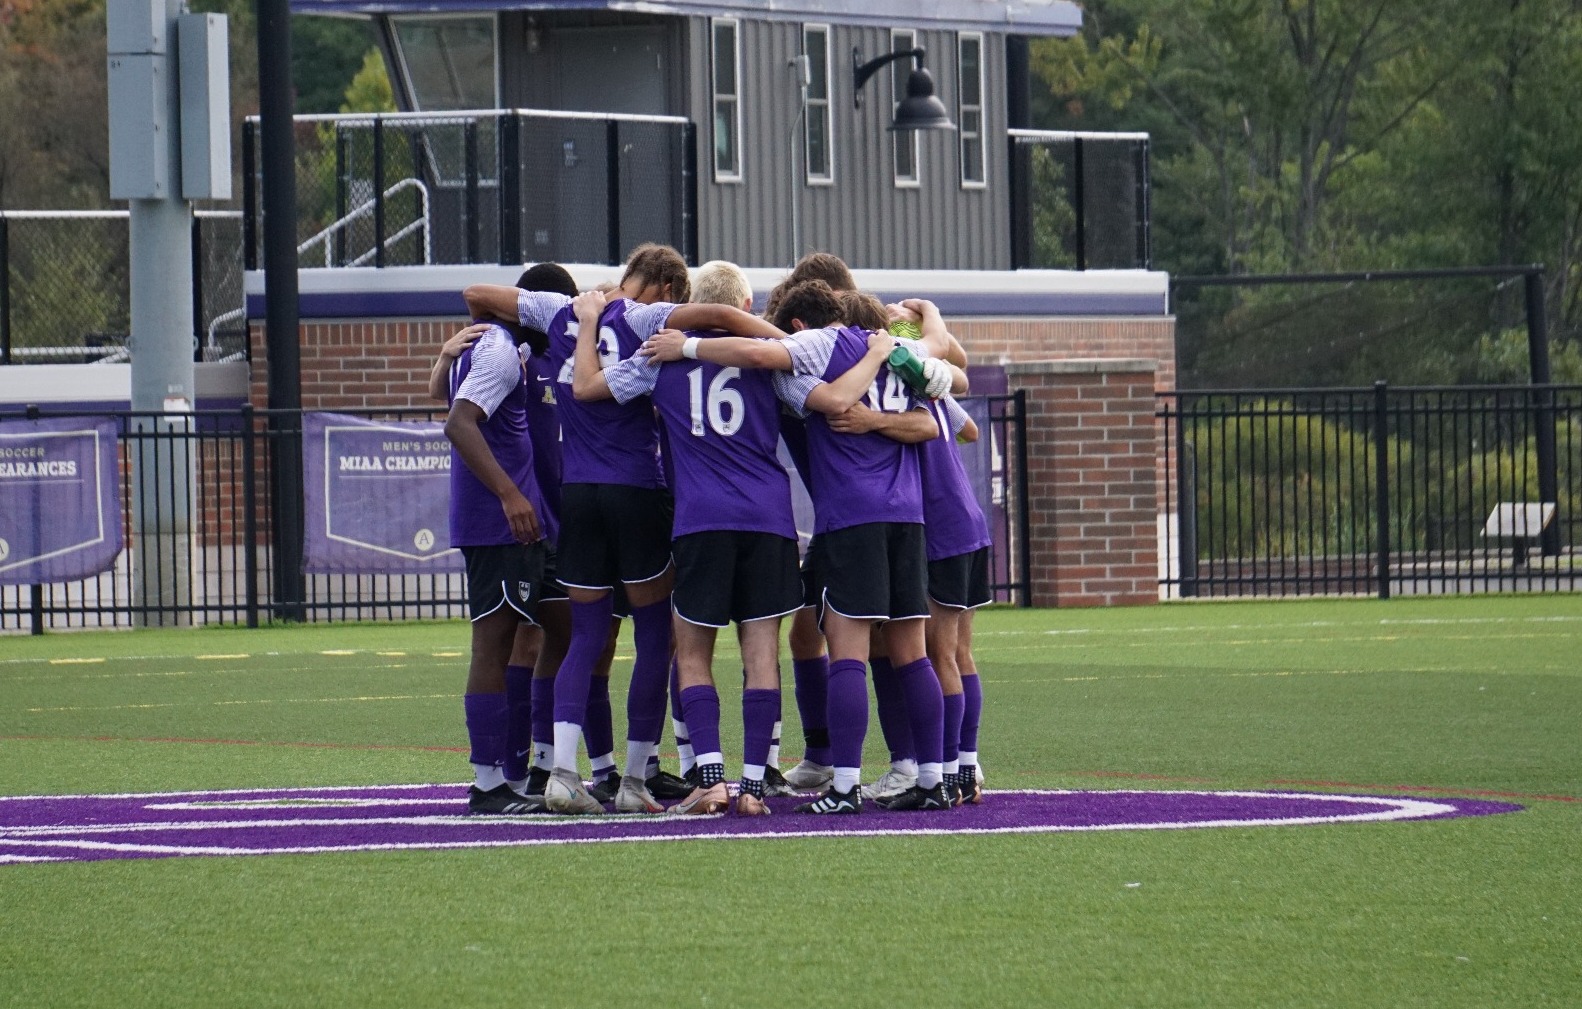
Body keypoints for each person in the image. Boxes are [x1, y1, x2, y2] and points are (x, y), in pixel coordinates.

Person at [466, 244, 783, 815]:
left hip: (578, 495)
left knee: (583, 638)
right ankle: (634, 779)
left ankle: (563, 773)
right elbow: (720, 318)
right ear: (665, 288)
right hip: (638, 494)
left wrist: (545, 318)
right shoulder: (645, 319)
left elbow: (478, 295)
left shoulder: (560, 312)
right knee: (656, 638)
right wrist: (782, 342)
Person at [574, 262, 890, 815]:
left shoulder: (660, 353)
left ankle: (711, 779)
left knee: (692, 652)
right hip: (768, 521)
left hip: (700, 519)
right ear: (746, 308)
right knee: (761, 654)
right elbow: (828, 401)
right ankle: (751, 787)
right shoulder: (768, 362)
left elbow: (591, 388)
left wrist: (588, 323)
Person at [642, 279, 965, 814]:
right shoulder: (897, 349)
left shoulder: (816, 348)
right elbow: (943, 414)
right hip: (907, 518)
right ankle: (935, 777)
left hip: (850, 518)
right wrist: (909, 336)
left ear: (803, 323)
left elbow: (761, 354)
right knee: (914, 651)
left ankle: (841, 785)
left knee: (845, 653)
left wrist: (688, 346)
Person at [441, 287, 553, 816]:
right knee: (493, 645)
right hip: (496, 524)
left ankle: (506, 772)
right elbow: (459, 424)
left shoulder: (499, 348)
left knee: (513, 640)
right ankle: (488, 783)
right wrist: (510, 495)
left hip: (504, 524)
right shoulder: (501, 348)